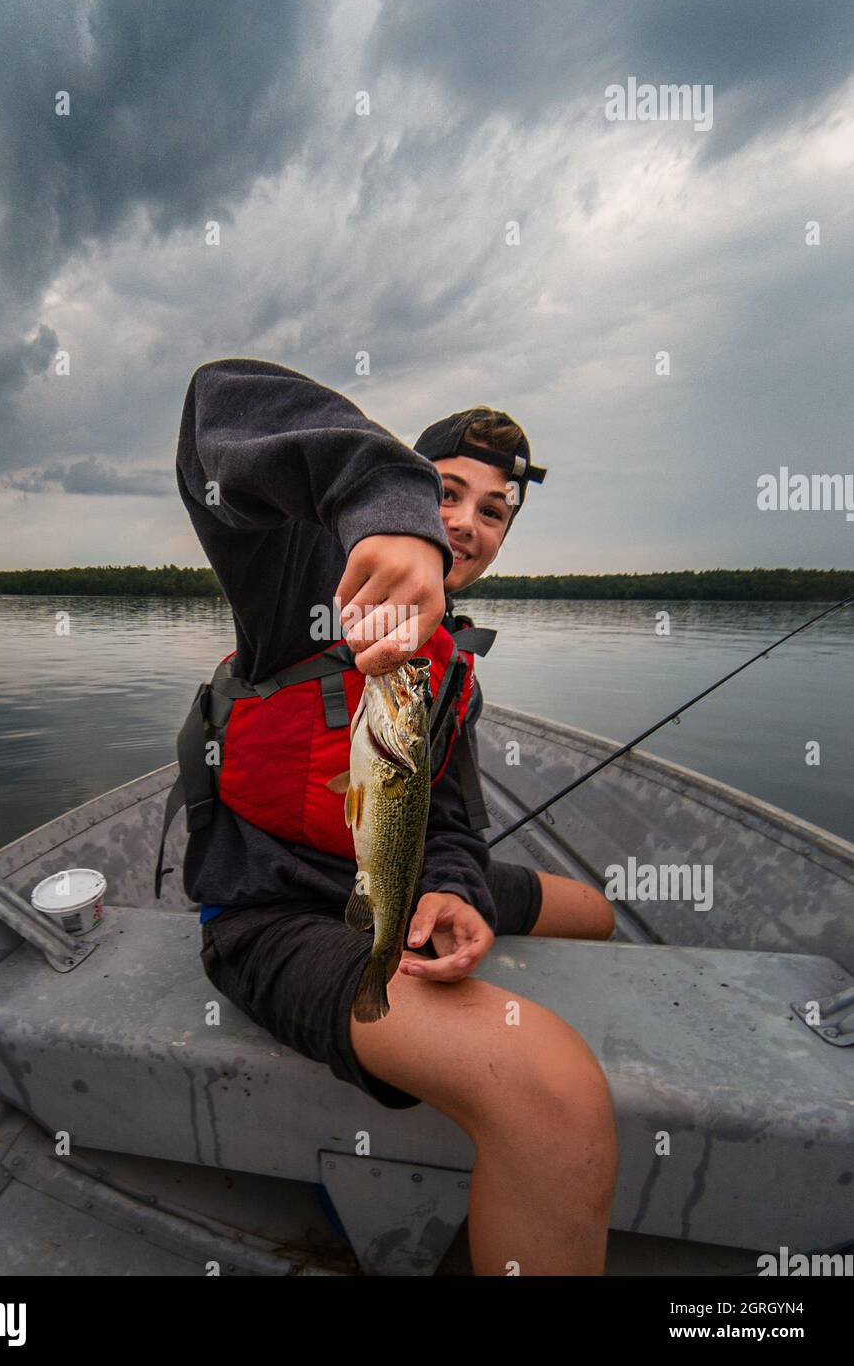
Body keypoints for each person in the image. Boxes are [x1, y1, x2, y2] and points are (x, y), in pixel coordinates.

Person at [171, 357, 619, 1275]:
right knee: (553, 1091)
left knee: (598, 912)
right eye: (444, 493)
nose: (463, 522)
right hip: (276, 912)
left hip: (394, 874)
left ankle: (443, 934)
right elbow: (215, 402)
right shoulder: (297, 569)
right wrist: (387, 511)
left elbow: (450, 825)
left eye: (491, 511)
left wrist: (452, 888)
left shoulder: (452, 669)